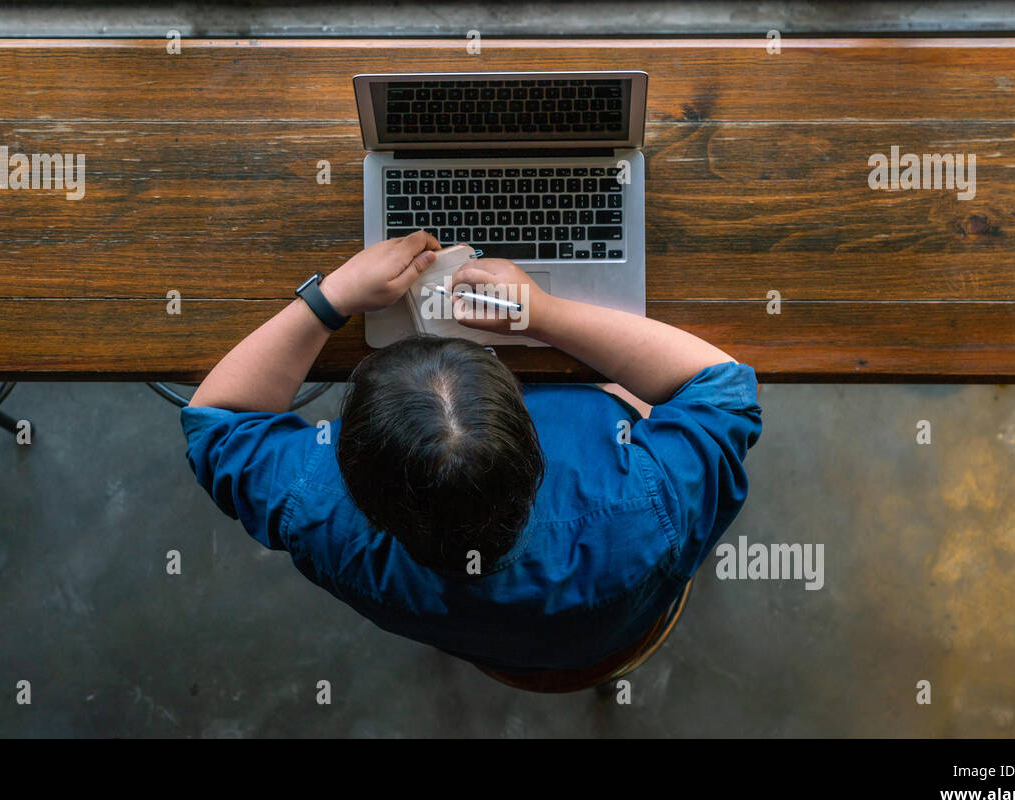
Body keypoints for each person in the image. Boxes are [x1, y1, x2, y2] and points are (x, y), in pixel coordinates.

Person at [182, 231, 762, 671]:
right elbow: (720, 384)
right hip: (613, 631)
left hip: (473, 642)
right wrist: (541, 313)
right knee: (628, 395)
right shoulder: (647, 511)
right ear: (533, 449)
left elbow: (218, 420)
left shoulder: (316, 511)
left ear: (349, 468)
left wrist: (330, 299)